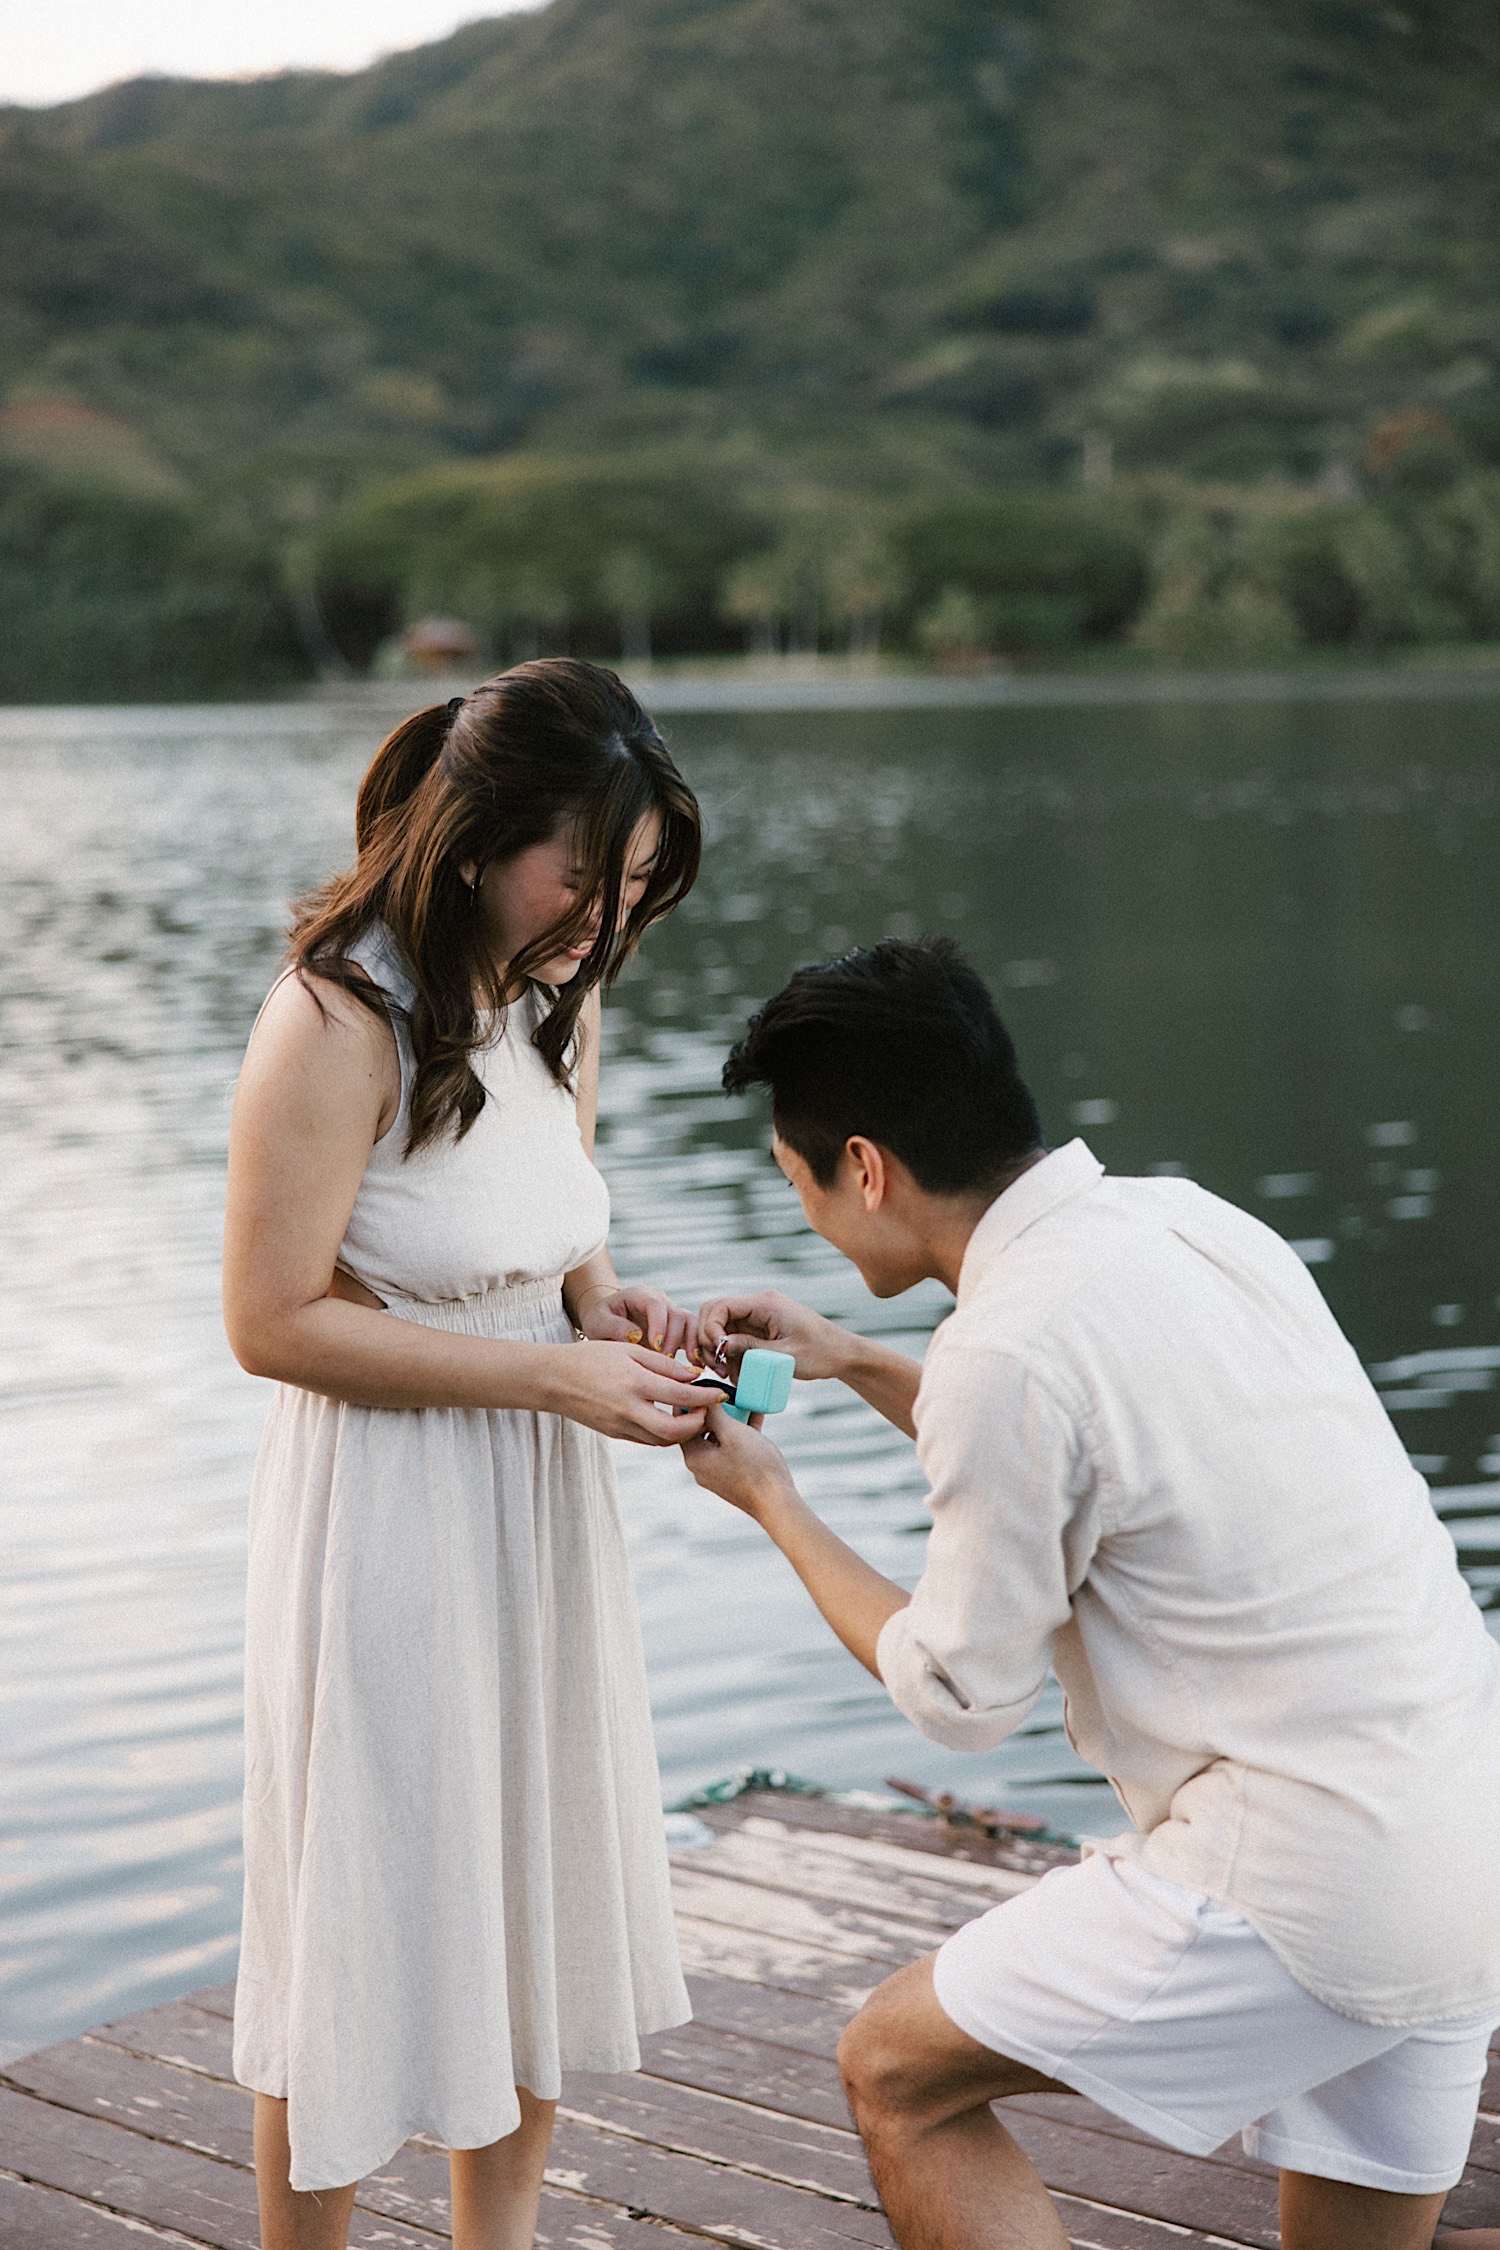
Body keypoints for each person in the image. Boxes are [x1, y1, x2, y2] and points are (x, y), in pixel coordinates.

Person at [679, 936, 1500, 2250]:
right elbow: (1078, 1446)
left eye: (802, 1183)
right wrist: (852, 1355)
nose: (811, 1220)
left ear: (867, 1168)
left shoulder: (1003, 1349)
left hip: (1312, 1869)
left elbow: (956, 1690)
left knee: (894, 2069)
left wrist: (774, 1499)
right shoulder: (1185, 1221)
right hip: (1464, 1835)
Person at [223, 660, 713, 2250]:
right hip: (395, 1508)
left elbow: (549, 1200)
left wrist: (600, 1299)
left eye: (635, 883)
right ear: (478, 834)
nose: (605, 911)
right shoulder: (332, 1012)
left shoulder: (558, 991)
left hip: (542, 1509)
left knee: (531, 1893)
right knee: (357, 1914)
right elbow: (272, 1320)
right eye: (583, 871)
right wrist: (548, 1382)